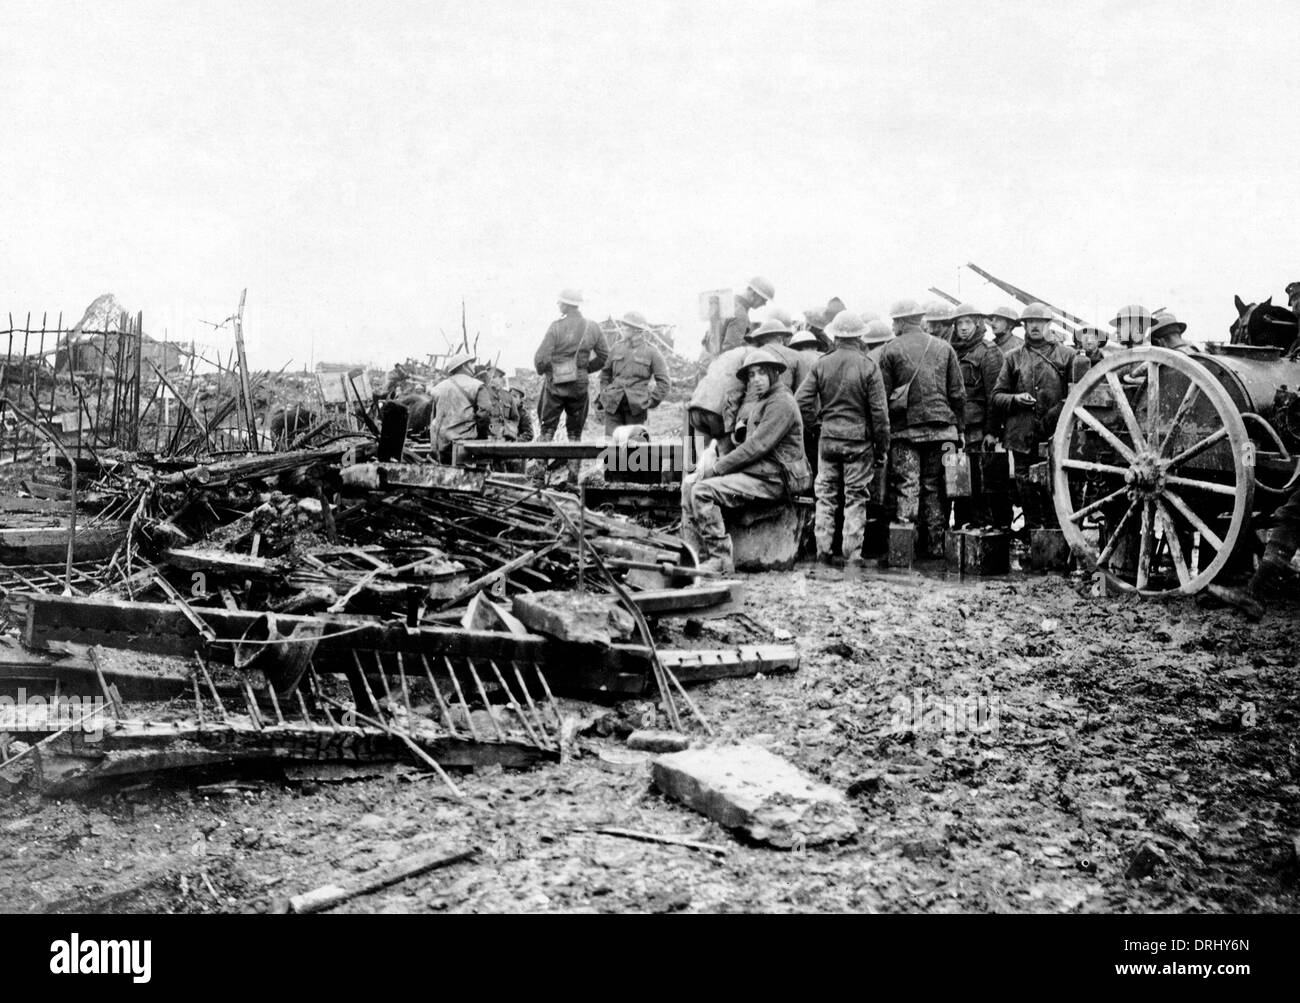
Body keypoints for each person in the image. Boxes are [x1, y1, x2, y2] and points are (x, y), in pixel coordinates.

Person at [682, 348, 810, 574]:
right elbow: (748, 444)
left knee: (702, 490)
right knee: (689, 485)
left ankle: (719, 557)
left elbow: (757, 446)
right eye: (751, 375)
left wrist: (719, 468)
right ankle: (693, 554)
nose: (755, 380)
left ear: (773, 374)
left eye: (761, 373)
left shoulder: (782, 403)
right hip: (761, 472)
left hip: (775, 478)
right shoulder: (764, 401)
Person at [795, 310, 890, 566]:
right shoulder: (868, 366)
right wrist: (881, 448)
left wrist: (816, 425)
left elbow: (800, 401)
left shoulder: (821, 364)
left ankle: (823, 553)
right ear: (860, 336)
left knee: (825, 497)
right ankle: (852, 556)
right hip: (859, 443)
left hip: (828, 441)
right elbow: (880, 414)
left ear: (835, 336)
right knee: (855, 497)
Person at [877, 299, 966, 557]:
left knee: (907, 485)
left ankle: (905, 552)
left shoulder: (890, 350)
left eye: (894, 321)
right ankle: (936, 548)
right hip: (943, 432)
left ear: (903, 322)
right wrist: (959, 429)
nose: (893, 326)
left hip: (905, 433)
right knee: (934, 487)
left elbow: (882, 397)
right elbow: (958, 394)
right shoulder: (944, 348)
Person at [991, 303, 1078, 534]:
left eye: (1040, 322)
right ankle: (1032, 533)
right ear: (1024, 326)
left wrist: (1055, 414)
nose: (1035, 327)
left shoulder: (1067, 356)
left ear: (1049, 325)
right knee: (1025, 485)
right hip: (1020, 435)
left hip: (1055, 434)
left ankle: (1056, 533)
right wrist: (1016, 399)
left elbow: (1077, 395)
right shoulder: (1012, 358)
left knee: (1055, 484)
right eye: (1030, 323)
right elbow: (997, 396)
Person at [534, 288, 608, 444]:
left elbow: (540, 358)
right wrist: (584, 369)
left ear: (566, 305)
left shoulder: (556, 326)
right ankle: (573, 468)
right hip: (579, 386)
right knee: (575, 434)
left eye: (560, 302)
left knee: (547, 430)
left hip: (555, 384)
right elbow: (604, 357)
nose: (558, 304)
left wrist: (546, 370)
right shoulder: (592, 327)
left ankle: (541, 466)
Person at [597, 311, 671, 436]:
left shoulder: (652, 352)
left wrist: (650, 401)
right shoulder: (616, 348)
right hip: (613, 404)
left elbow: (664, 383)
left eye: (627, 326)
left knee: (635, 447)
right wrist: (605, 393)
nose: (623, 328)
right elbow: (605, 374)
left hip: (636, 408)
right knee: (611, 446)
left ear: (637, 330)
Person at [429, 353, 491, 464]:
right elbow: (485, 412)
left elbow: (434, 417)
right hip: (465, 447)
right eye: (471, 363)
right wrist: (481, 438)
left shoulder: (437, 388)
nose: (474, 366)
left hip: (441, 446)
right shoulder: (477, 386)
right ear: (464, 366)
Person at [745, 318, 812, 394]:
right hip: (786, 402)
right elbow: (803, 390)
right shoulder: (796, 355)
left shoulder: (751, 355)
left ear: (762, 338)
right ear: (780, 338)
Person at [718, 276, 776, 353]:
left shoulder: (730, 304)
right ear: (754, 294)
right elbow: (730, 350)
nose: (764, 304)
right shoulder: (740, 315)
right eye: (764, 299)